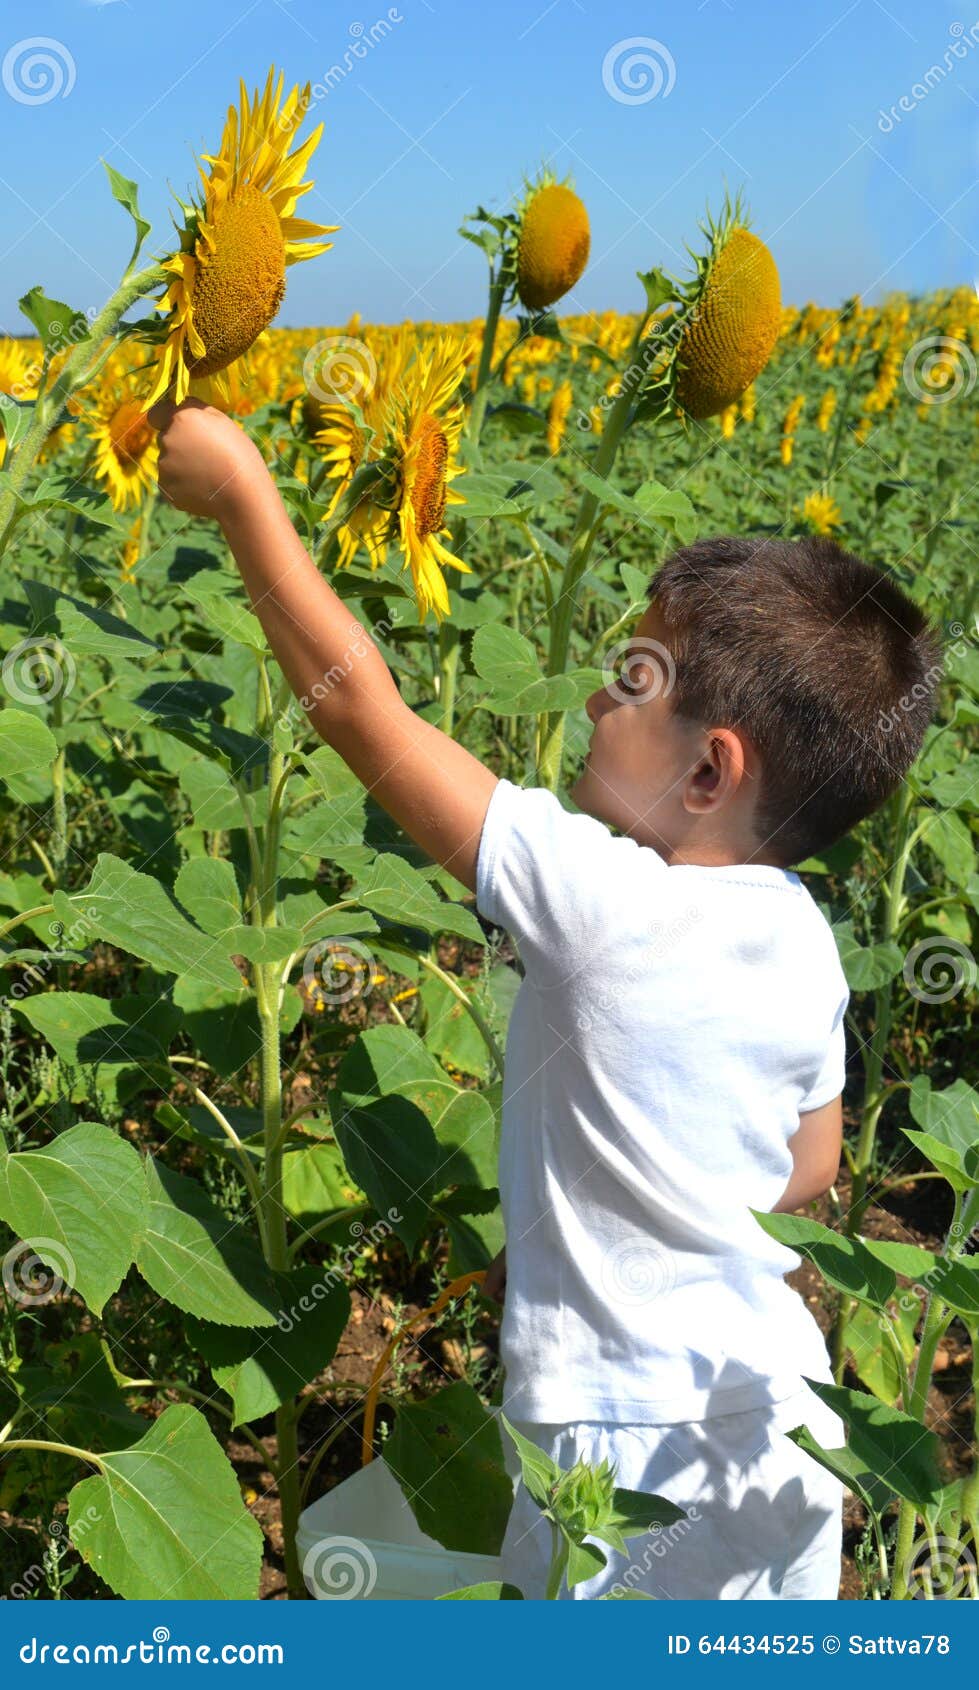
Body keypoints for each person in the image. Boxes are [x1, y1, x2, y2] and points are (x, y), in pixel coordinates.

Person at [149, 398, 939, 1600]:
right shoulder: (803, 937)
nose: (589, 699)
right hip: (781, 1426)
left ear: (708, 768)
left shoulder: (598, 902)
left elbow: (365, 713)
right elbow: (813, 1162)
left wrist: (248, 501)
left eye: (632, 678)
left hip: (614, 1453)